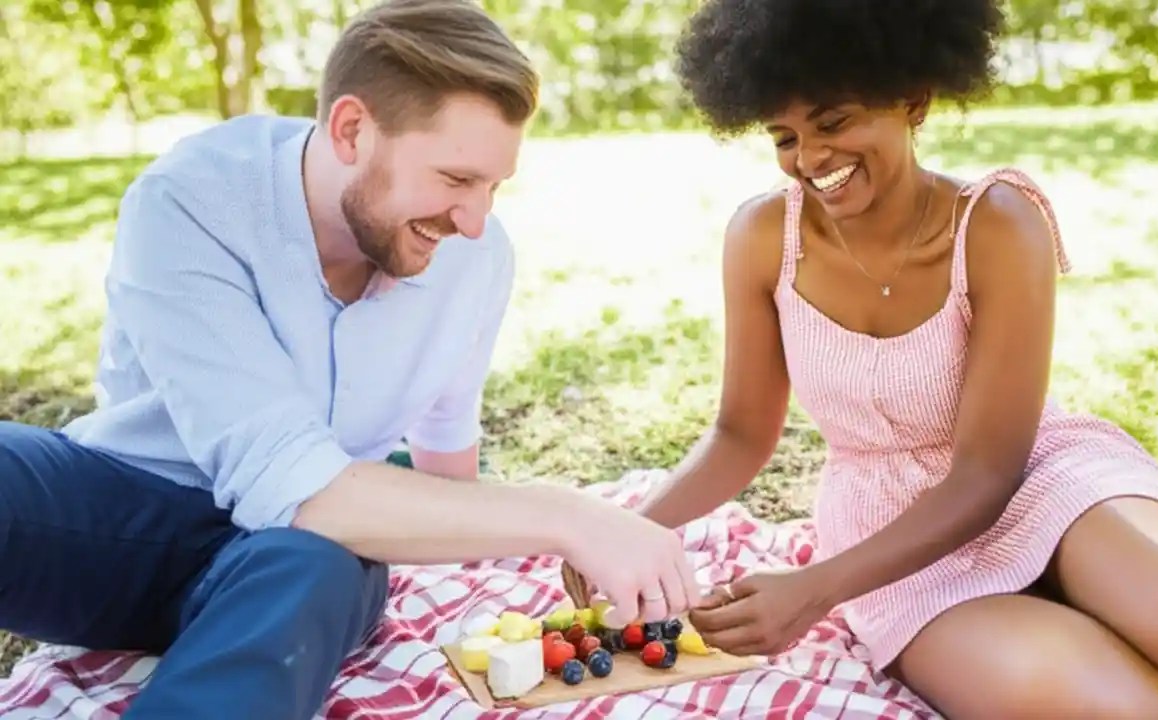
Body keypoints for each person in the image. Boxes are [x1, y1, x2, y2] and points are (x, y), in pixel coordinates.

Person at [0, 2, 700, 718]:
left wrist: (537, 587)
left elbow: (444, 467)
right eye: (457, 179)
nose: (475, 221)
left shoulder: (477, 259)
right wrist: (571, 516)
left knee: (317, 562)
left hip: (302, 564)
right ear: (351, 130)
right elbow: (289, 479)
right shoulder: (191, 201)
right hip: (121, 517)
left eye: (495, 186)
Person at [619, 1, 1158, 717]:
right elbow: (741, 434)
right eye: (784, 136)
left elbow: (988, 472)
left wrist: (814, 588)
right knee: (1071, 698)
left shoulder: (998, 222)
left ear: (913, 99)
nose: (810, 160)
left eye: (834, 123)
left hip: (1038, 480)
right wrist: (624, 535)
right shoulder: (760, 237)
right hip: (883, 537)